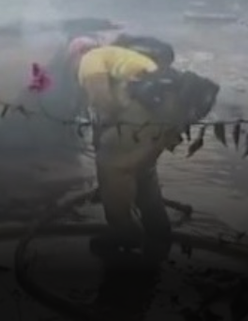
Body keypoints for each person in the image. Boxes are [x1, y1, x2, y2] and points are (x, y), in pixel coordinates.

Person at [66, 36, 172, 263]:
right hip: (162, 115)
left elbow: (104, 102)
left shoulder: (90, 59)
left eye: (70, 62)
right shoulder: (115, 58)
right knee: (142, 172)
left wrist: (107, 133)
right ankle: (159, 231)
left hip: (141, 116)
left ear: (77, 54)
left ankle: (125, 233)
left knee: (111, 167)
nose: (72, 68)